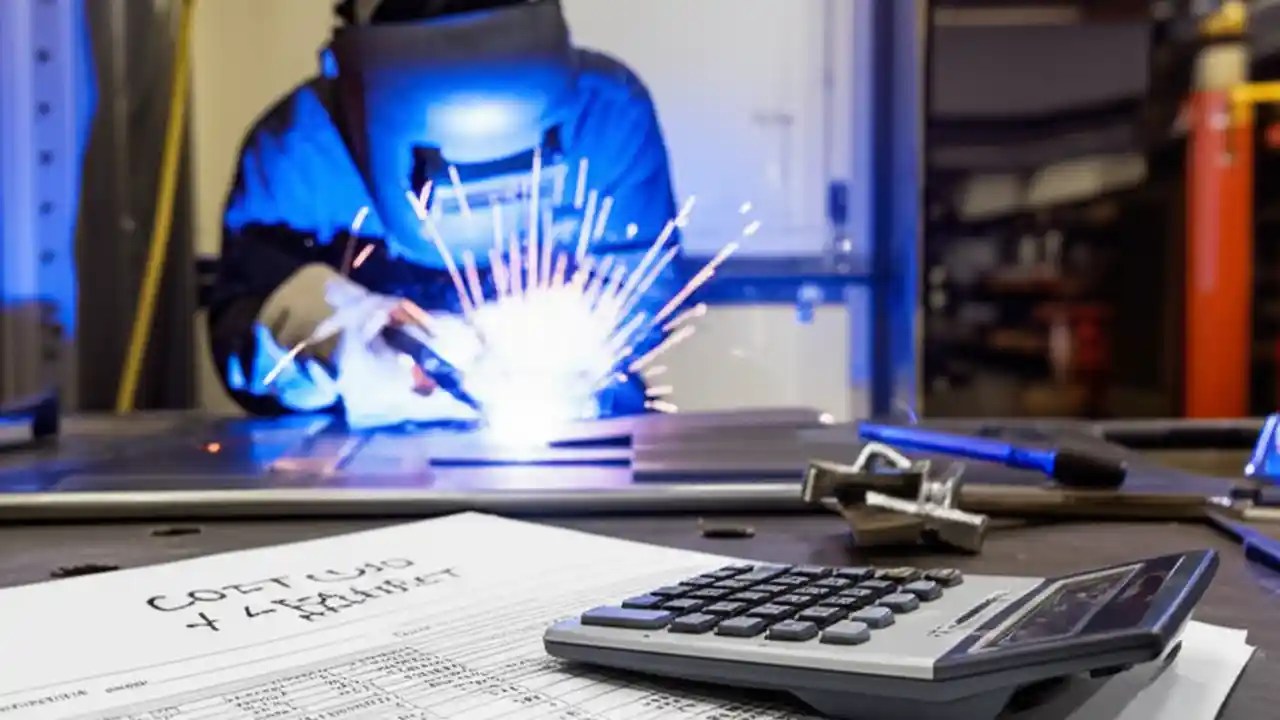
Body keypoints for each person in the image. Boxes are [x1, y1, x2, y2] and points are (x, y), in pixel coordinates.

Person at [207, 0, 684, 428]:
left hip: (574, 431)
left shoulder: (606, 112)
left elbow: (645, 300)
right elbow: (243, 335)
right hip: (363, 464)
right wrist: (339, 337)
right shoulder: (301, 146)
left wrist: (567, 329)